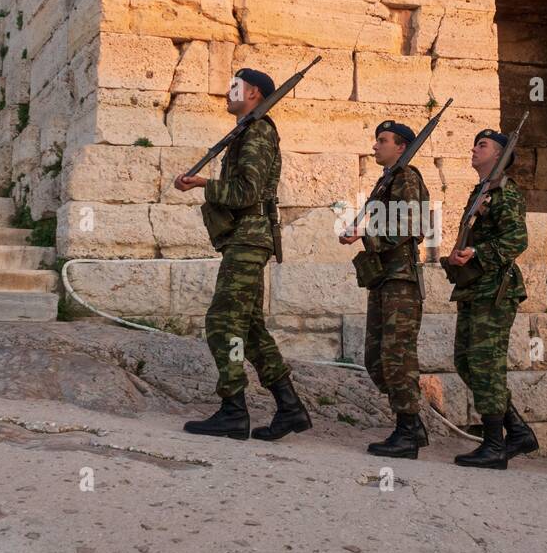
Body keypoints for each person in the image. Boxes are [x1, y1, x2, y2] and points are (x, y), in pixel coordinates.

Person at [173, 68, 311, 441]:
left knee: (222, 322)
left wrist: (205, 184)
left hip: (249, 239)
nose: (227, 91)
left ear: (253, 93)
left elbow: (248, 191)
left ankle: (233, 410)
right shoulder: (247, 131)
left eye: (234, 86)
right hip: (245, 238)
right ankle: (290, 408)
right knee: (248, 328)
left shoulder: (259, 131)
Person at [342, 120, 430, 459]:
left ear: (401, 146)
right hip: (383, 277)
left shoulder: (407, 176)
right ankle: (410, 422)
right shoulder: (388, 179)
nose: (375, 146)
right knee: (375, 356)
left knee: (396, 354)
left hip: (400, 280)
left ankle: (407, 431)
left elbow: (412, 224)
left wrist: (364, 236)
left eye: (383, 140)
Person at [447, 128, 530, 470]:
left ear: (498, 155)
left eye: (482, 145)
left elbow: (517, 239)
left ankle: (495, 445)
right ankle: (518, 431)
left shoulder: (505, 193)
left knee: (485, 363)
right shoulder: (481, 192)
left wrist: (477, 251)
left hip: (494, 290)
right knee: (466, 362)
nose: (474, 149)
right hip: (474, 288)